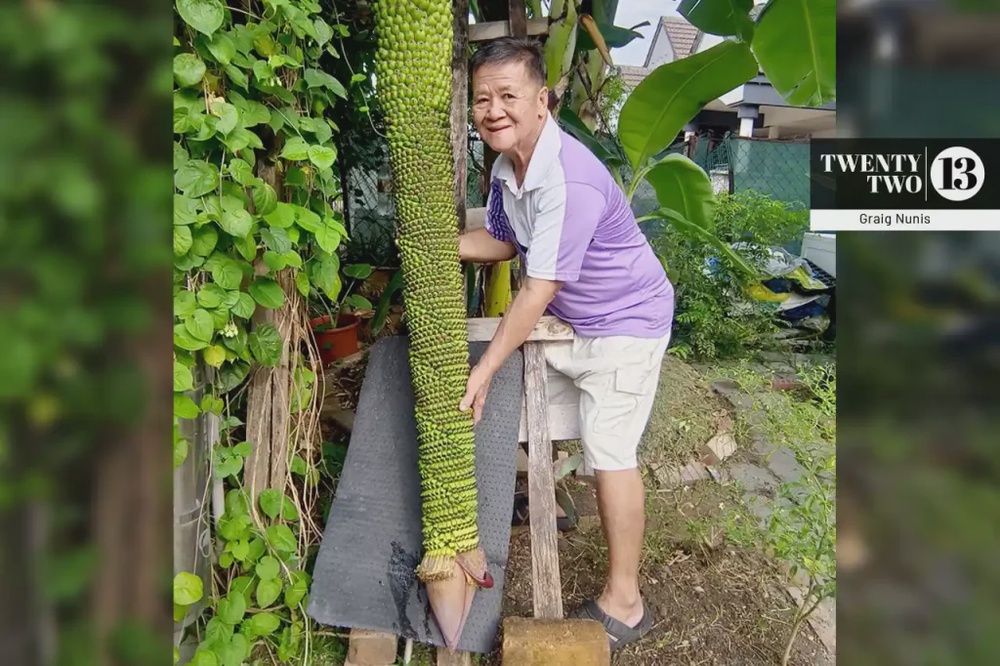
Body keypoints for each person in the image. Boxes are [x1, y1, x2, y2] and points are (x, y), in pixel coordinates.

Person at [457, 37, 675, 651]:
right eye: (482, 99)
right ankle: (539, 501)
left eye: (508, 96)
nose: (493, 110)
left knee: (609, 451)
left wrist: (484, 368)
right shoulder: (508, 168)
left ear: (542, 101)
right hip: (574, 322)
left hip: (626, 325)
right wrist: (438, 248)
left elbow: (536, 288)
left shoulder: (569, 177)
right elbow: (506, 241)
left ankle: (626, 602)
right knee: (516, 407)